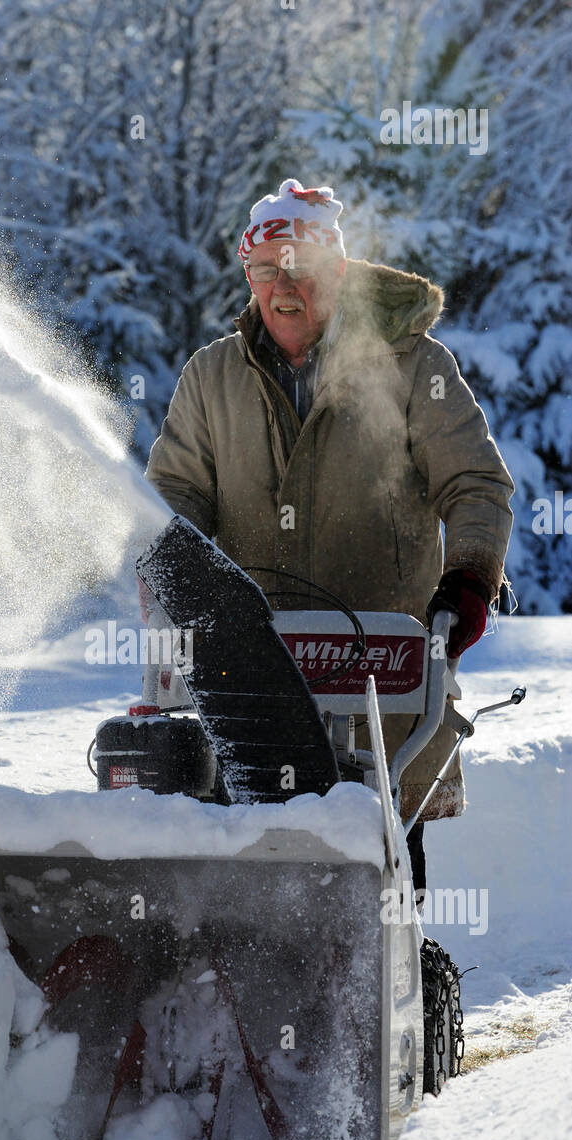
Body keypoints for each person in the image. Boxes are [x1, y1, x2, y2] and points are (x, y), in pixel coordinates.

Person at [145, 177, 514, 894]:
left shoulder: (414, 368)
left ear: (337, 274)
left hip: (383, 677)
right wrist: (167, 573)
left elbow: (474, 485)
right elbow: (172, 498)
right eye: (264, 269)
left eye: (302, 269)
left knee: (379, 891)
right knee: (240, 886)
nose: (283, 287)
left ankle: (392, 998)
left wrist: (468, 578)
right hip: (248, 677)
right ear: (247, 276)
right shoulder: (211, 376)